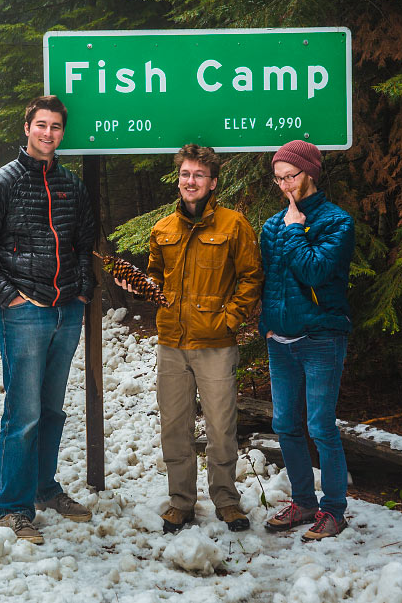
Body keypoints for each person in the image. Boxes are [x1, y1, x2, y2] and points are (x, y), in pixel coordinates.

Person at [0, 94, 97, 545]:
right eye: (41, 125)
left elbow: (84, 241)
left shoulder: (71, 184)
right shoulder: (1, 184)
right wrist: (9, 298)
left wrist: (80, 290)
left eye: (56, 127)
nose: (48, 133)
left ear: (62, 133)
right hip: (25, 314)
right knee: (23, 414)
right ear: (27, 128)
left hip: (66, 310)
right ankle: (14, 509)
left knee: (53, 411)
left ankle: (44, 489)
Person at [118, 144, 261, 534]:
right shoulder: (162, 229)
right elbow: (155, 283)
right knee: (174, 426)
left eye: (199, 175)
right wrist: (133, 284)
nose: (191, 181)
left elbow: (251, 278)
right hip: (172, 343)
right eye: (185, 174)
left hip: (215, 343)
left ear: (213, 182)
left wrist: (230, 319)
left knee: (220, 427)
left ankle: (227, 500)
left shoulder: (234, 225)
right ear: (178, 180)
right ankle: (181, 501)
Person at [259, 139, 356, 541]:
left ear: (310, 173)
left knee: (320, 426)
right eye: (279, 179)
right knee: (285, 424)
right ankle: (303, 502)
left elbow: (315, 271)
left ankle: (334, 510)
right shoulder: (270, 225)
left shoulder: (337, 222)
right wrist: (266, 320)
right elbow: (270, 280)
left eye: (291, 176)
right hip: (279, 340)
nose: (285, 185)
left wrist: (296, 229)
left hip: (321, 338)